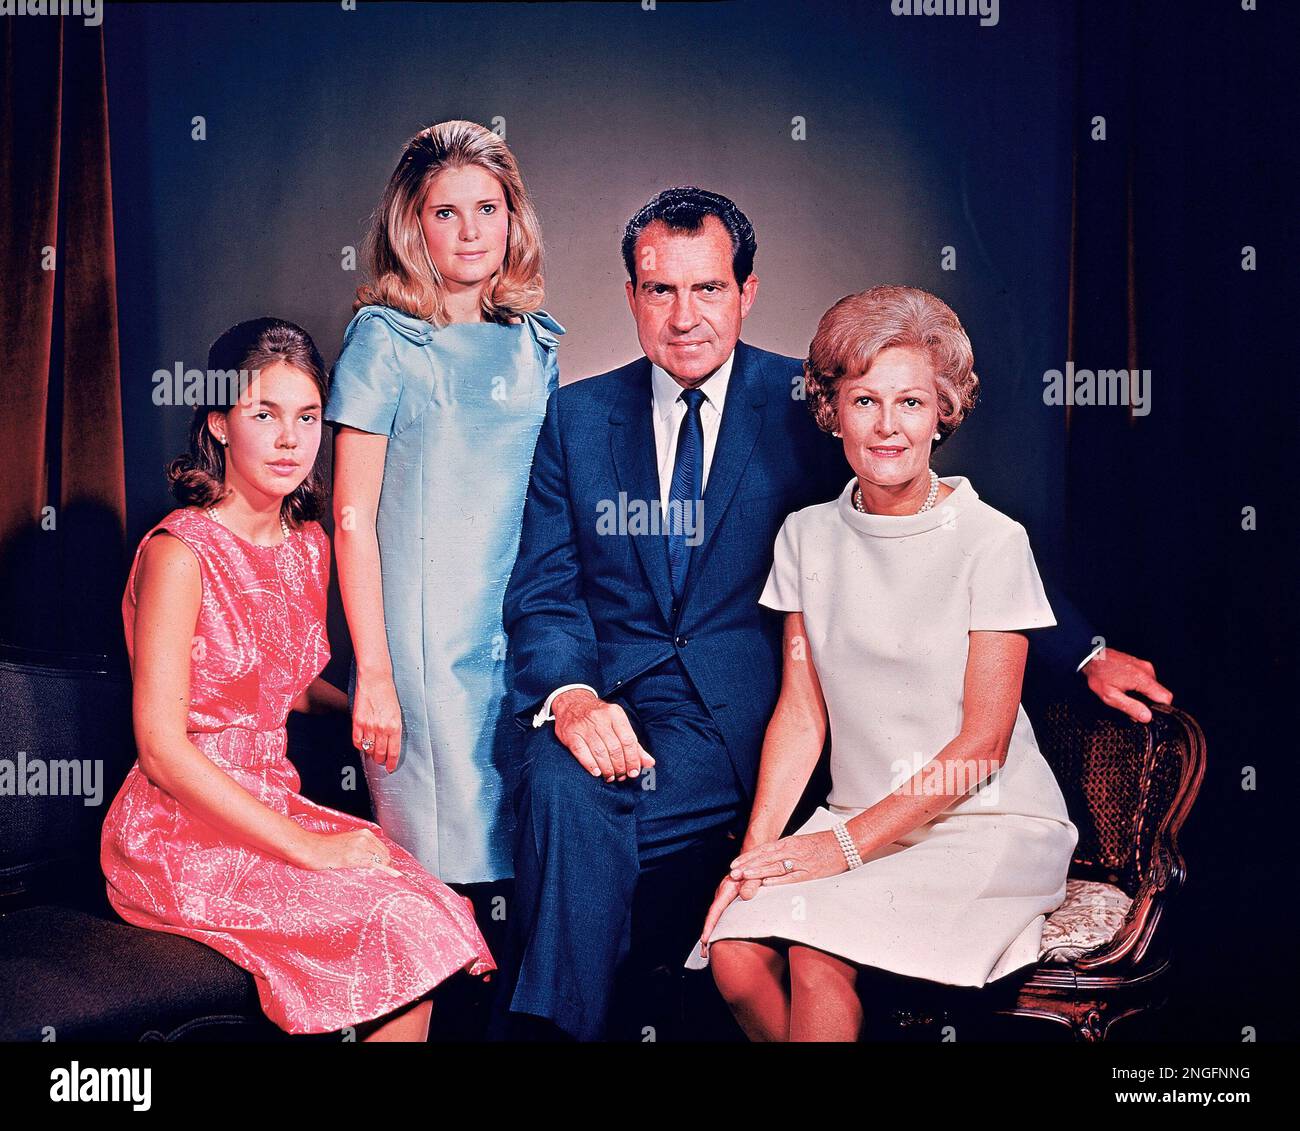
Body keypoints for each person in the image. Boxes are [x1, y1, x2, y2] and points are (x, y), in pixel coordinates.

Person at [497, 187, 1168, 1042]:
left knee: (572, 836)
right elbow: (546, 590)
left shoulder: (813, 395)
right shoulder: (578, 416)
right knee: (560, 787)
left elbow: (943, 529)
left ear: (748, 291)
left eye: (708, 289)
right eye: (660, 290)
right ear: (630, 295)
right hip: (624, 706)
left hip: (741, 717)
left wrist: (1083, 651)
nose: (684, 316)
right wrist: (576, 698)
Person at [697, 286, 1078, 1041]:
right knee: (734, 956)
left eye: (910, 402)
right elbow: (802, 714)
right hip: (855, 814)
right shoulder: (806, 536)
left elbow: (982, 749)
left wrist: (841, 847)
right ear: (833, 411)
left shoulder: (991, 540)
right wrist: (754, 856)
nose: (887, 426)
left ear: (944, 412)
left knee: (814, 952)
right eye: (864, 400)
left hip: (984, 824)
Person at [100, 318, 494, 1039]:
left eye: (307, 416)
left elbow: (281, 683)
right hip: (177, 831)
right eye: (264, 414)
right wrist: (308, 846)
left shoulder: (307, 544)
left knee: (423, 902)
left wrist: (374, 708)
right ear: (219, 424)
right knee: (396, 919)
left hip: (271, 798)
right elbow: (160, 747)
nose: (290, 439)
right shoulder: (179, 554)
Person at [326, 121, 563, 925]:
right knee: (435, 884)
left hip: (522, 642)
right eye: (445, 212)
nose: (470, 232)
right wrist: (378, 674)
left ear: (512, 219)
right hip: (423, 657)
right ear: (411, 224)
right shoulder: (386, 340)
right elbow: (352, 520)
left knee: (524, 875)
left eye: (487, 209)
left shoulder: (535, 344)